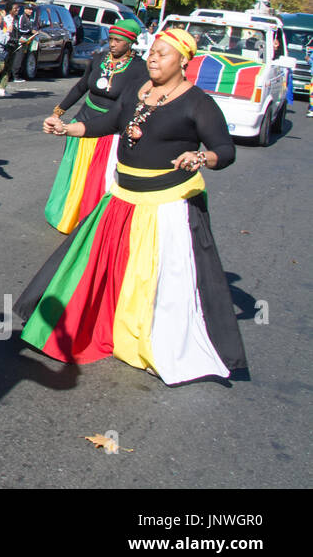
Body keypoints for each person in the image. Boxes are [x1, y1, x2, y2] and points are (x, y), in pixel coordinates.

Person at [18, 28, 246, 385]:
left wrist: (202, 156)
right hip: (122, 195)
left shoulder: (197, 102)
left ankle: (146, 338)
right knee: (95, 268)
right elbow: (106, 123)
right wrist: (67, 128)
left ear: (184, 61)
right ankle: (83, 328)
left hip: (164, 207)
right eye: (152, 52)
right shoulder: (137, 91)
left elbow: (226, 150)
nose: (154, 58)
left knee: (151, 279)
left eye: (164, 54)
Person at [43, 18, 147, 233]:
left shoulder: (140, 69)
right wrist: (58, 112)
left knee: (100, 176)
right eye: (111, 39)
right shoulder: (99, 59)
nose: (113, 44)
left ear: (131, 42)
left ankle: (93, 221)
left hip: (109, 131)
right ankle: (68, 214)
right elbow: (81, 87)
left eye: (119, 41)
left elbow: (139, 102)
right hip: (82, 123)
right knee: (75, 172)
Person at [11, 2, 38, 81]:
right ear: (25, 10)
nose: (30, 11)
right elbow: (20, 29)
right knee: (18, 59)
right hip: (21, 41)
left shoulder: (30, 19)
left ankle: (19, 74)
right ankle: (15, 76)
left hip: (27, 41)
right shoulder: (22, 18)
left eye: (31, 10)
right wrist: (30, 31)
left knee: (23, 58)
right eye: (29, 9)